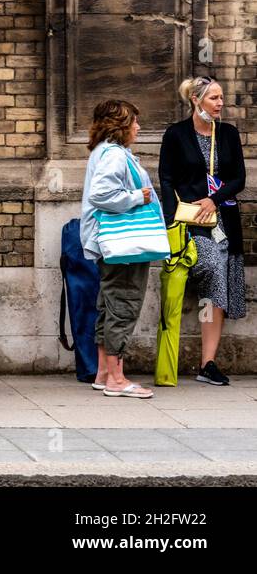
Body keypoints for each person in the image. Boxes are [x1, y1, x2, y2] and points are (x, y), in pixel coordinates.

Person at [159, 77, 247, 386]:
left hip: (224, 220)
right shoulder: (176, 134)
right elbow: (166, 179)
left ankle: (207, 362)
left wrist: (214, 199)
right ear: (197, 101)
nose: (220, 103)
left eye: (221, 97)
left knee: (218, 285)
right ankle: (203, 361)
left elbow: (239, 179)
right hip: (192, 223)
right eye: (214, 98)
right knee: (210, 267)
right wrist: (173, 220)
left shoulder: (228, 134)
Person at [80, 99, 158, 399]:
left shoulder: (105, 153)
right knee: (123, 304)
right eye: (134, 122)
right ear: (119, 127)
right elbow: (102, 195)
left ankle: (103, 373)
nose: (138, 128)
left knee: (109, 304)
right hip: (122, 243)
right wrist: (138, 196)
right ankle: (116, 378)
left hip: (108, 242)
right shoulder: (114, 155)